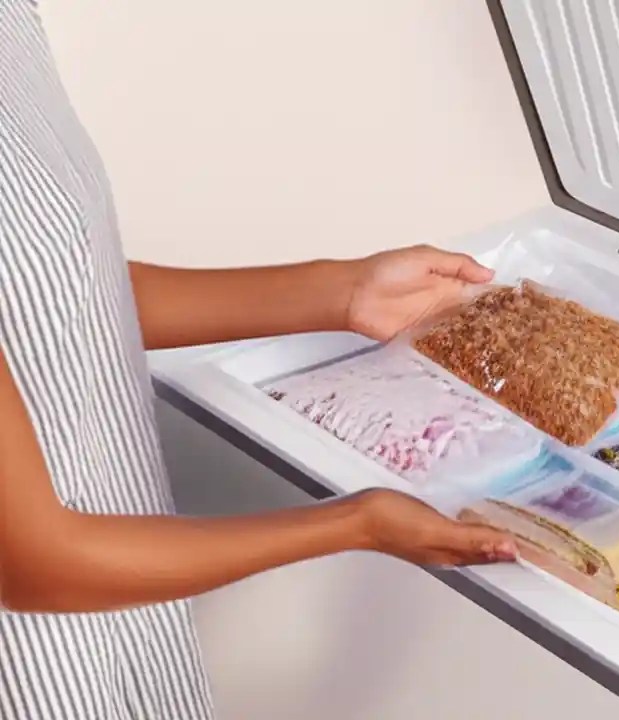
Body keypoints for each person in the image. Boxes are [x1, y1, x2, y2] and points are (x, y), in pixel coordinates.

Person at [0, 1, 519, 717]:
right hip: (35, 662)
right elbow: (38, 565)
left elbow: (47, 291)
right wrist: (357, 525)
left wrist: (344, 293)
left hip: (132, 606)